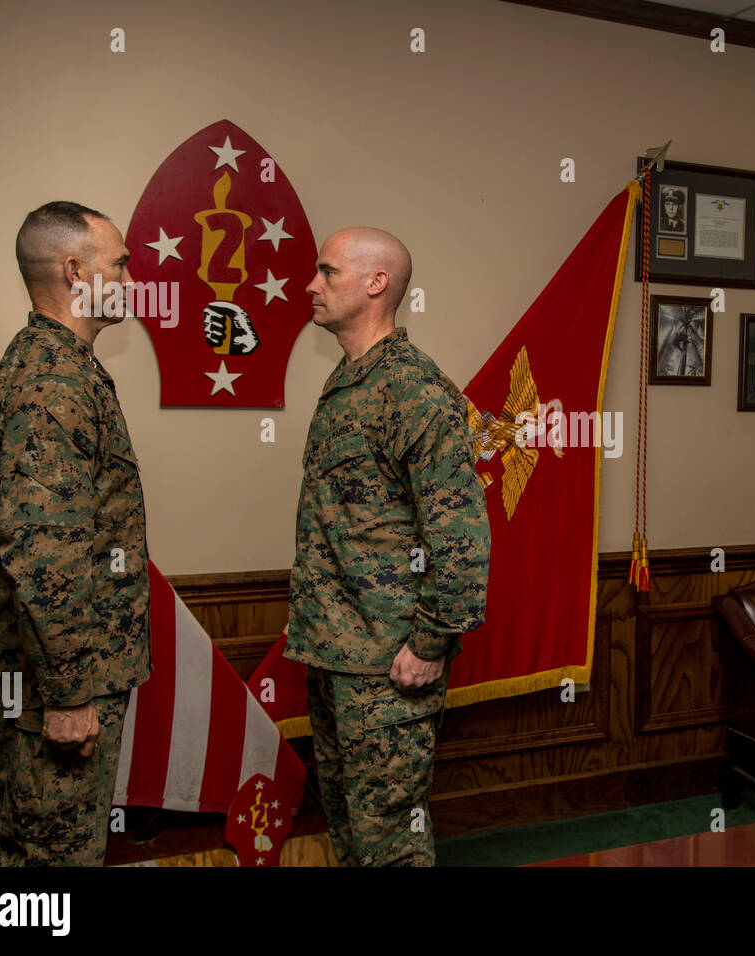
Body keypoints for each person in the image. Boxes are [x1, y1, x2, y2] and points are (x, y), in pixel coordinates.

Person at [286, 227, 490, 866]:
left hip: (388, 662)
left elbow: (459, 534)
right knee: (349, 831)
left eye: (328, 272)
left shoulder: (416, 391)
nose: (311, 286)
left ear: (376, 284)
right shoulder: (348, 382)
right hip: (335, 650)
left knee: (390, 844)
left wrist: (429, 643)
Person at [0, 201, 150, 865]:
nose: (132, 278)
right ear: (76, 270)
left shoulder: (61, 366)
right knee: (49, 858)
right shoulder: (51, 383)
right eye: (121, 263)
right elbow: (43, 552)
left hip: (59, 673)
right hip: (61, 684)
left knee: (36, 849)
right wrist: (69, 694)